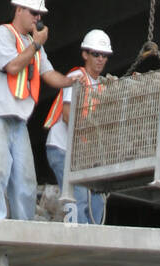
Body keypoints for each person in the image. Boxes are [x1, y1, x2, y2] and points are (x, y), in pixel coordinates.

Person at [0, 0, 76, 220]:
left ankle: (23, 227)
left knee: (26, 179)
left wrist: (73, 82)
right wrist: (36, 45)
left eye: (40, 15)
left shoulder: (33, 45)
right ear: (19, 9)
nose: (38, 19)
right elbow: (13, 66)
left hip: (17, 122)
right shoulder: (2, 34)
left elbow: (49, 75)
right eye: (33, 13)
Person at [44, 29, 112, 225]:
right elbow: (67, 116)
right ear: (85, 54)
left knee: (98, 198)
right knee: (78, 196)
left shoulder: (101, 87)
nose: (101, 59)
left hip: (82, 155)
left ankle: (92, 240)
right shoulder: (77, 76)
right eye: (96, 54)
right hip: (62, 149)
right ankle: (76, 237)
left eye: (104, 55)